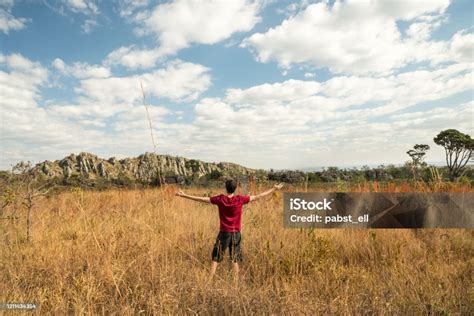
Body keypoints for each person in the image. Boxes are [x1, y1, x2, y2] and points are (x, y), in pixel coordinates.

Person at [175, 179, 284, 283]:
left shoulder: (220, 199)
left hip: (224, 233)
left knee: (216, 258)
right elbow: (258, 196)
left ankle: (209, 281)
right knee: (235, 259)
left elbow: (202, 199)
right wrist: (273, 189)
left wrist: (184, 195)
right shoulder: (240, 199)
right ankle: (235, 284)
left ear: (225, 188)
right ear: (235, 188)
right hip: (236, 233)